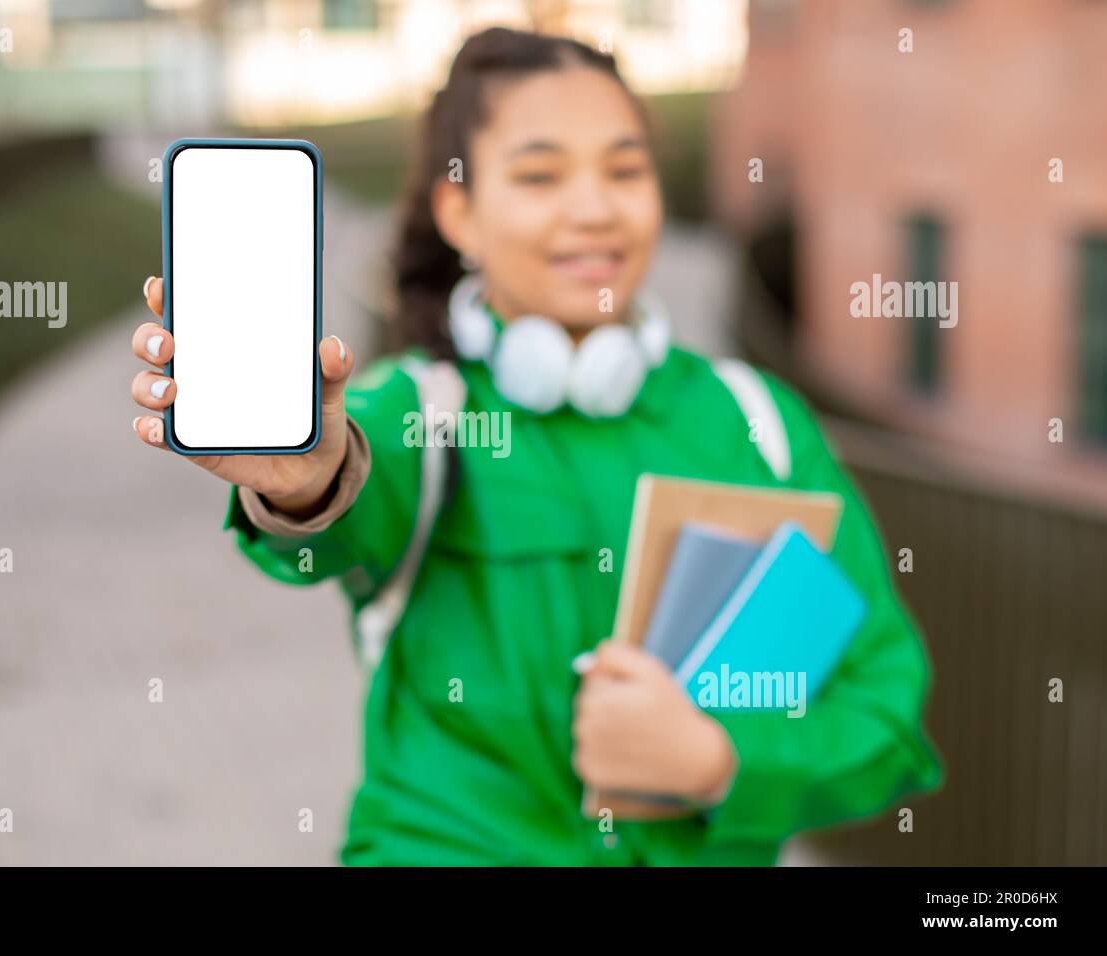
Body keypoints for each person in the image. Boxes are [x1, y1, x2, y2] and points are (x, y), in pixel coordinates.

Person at [129, 27, 941, 866]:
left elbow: (884, 708)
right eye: (540, 174)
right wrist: (306, 481)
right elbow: (338, 507)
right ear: (458, 211)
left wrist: (721, 762)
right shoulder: (418, 412)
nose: (594, 207)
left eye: (625, 170)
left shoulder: (760, 425)